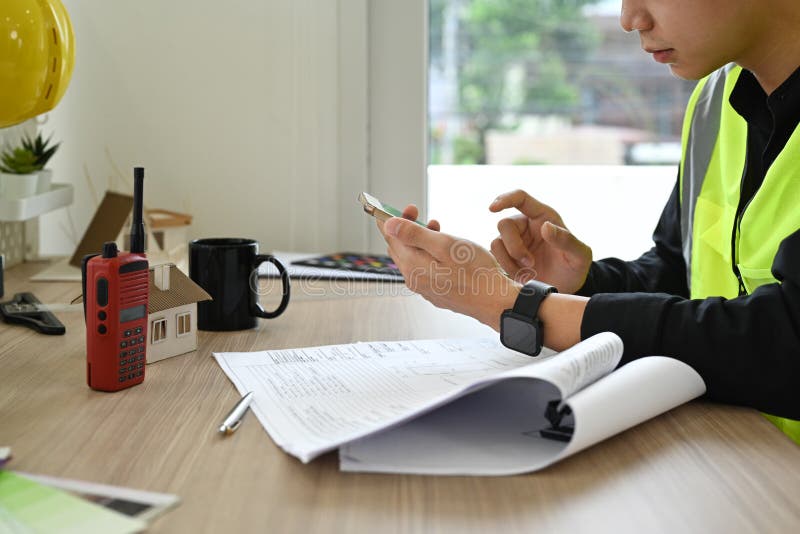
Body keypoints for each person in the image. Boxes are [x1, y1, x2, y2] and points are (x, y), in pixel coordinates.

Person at [378, 0, 800, 444]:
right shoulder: (716, 101)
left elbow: (784, 339)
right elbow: (682, 275)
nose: (629, 18)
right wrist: (579, 285)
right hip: (736, 458)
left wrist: (513, 306)